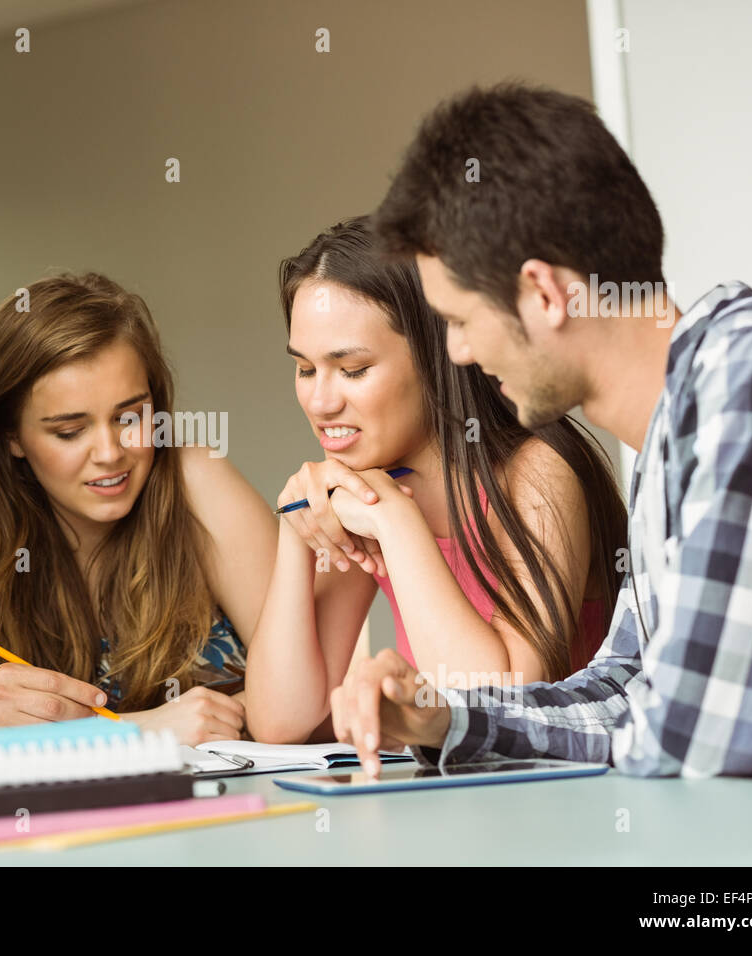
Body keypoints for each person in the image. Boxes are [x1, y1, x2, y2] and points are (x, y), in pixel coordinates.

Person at [330, 83, 752, 784]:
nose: (461, 354)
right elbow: (631, 692)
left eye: (462, 321)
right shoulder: (676, 429)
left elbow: (708, 739)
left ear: (546, 293)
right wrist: (446, 718)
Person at [247, 217, 627, 744]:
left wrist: (399, 525)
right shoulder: (362, 489)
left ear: (436, 354)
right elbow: (281, 724)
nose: (320, 402)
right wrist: (297, 528)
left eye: (352, 369)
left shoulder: (537, 470)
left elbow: (499, 701)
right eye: (306, 369)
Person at [0, 273, 279, 745]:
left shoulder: (195, 481)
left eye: (130, 417)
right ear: (10, 437)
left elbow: (314, 690)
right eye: (70, 431)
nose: (111, 453)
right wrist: (135, 731)